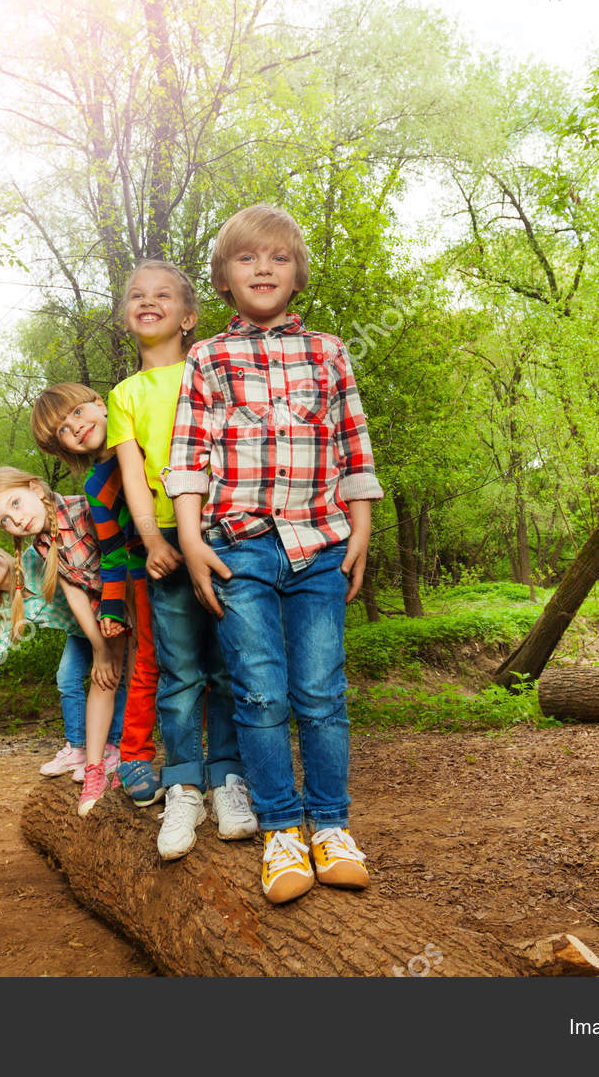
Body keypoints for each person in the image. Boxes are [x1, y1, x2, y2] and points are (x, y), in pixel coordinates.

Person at [164, 205, 382, 903]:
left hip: (320, 546)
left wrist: (362, 531)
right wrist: (191, 541)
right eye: (247, 258)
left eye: (278, 258)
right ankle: (281, 830)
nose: (263, 267)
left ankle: (331, 823)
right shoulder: (208, 358)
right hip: (239, 551)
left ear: (297, 275)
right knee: (258, 691)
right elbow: (188, 458)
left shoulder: (328, 351)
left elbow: (355, 448)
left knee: (319, 692)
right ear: (224, 279)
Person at [107, 260, 257, 860]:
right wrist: (153, 541)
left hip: (227, 531)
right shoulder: (124, 395)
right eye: (137, 296)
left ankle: (227, 781)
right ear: (126, 317)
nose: (149, 301)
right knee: (179, 672)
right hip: (166, 543)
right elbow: (133, 478)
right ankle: (184, 785)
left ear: (188, 316)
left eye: (163, 294)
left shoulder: (211, 368)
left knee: (229, 668)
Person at [30, 381, 165, 807]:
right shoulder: (95, 487)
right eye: (63, 431)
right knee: (142, 669)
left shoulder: (148, 438)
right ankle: (111, 764)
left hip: (194, 550)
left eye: (76, 413)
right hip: (141, 576)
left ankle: (213, 770)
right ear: (63, 449)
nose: (75, 427)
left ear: (99, 403)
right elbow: (111, 553)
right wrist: (110, 608)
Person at [0, 467, 125, 815]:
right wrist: (100, 647)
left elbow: (121, 559)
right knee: (102, 677)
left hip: (130, 599)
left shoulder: (83, 509)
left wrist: (116, 617)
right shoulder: (43, 545)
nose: (16, 519)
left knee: (144, 679)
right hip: (101, 614)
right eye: (5, 520)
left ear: (33, 487)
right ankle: (94, 768)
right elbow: (75, 594)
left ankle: (132, 760)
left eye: (16, 503)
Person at [0, 542, 108, 782]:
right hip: (82, 634)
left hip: (105, 619)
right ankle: (77, 748)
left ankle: (113, 747)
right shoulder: (9, 607)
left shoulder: (34, 558)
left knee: (110, 680)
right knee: (66, 676)